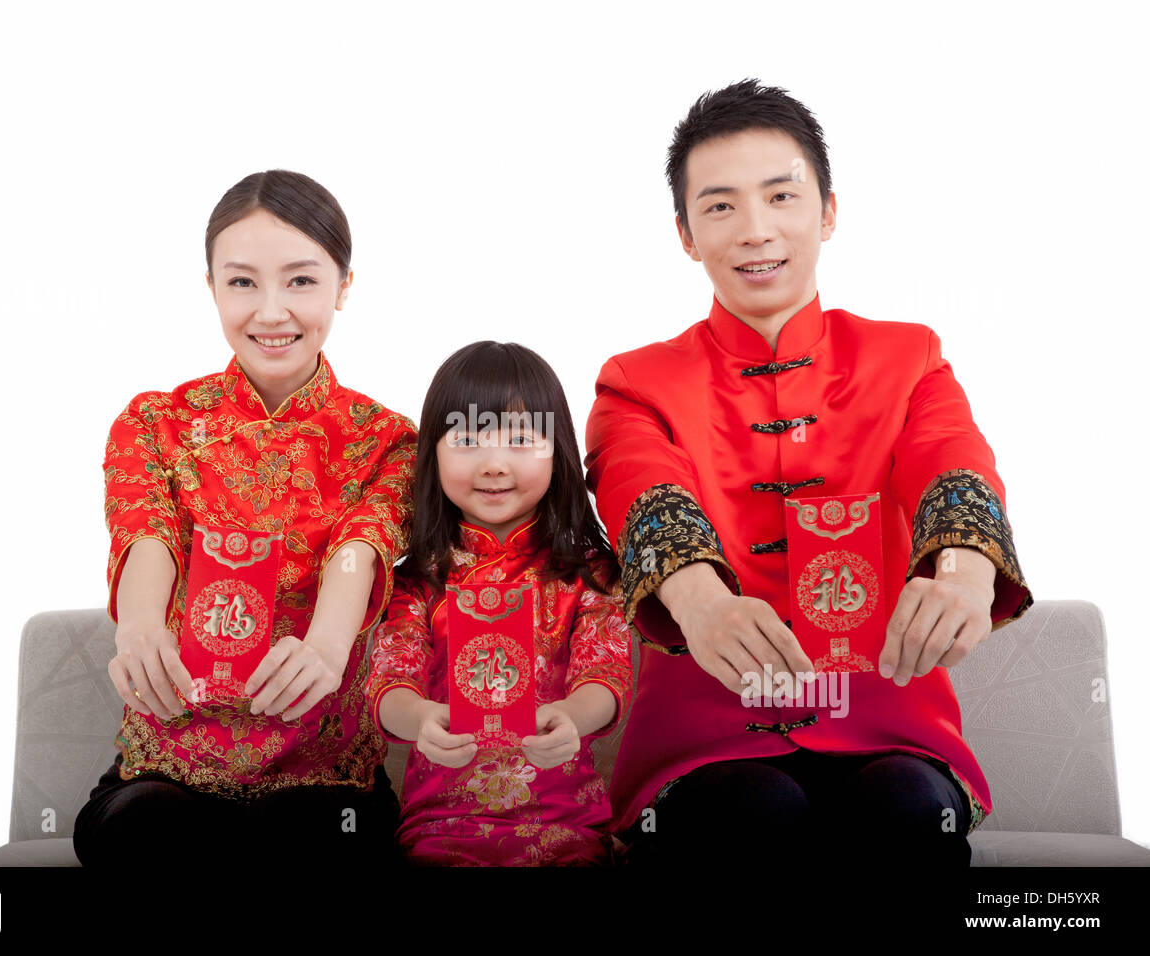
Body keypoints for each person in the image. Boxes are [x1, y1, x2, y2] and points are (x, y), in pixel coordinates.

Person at [583, 79, 1033, 867]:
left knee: (904, 811)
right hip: (706, 739)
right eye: (720, 206)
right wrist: (697, 597)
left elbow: (951, 457)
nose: (756, 231)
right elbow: (640, 490)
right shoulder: (635, 381)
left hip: (893, 725)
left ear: (827, 211)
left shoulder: (910, 356)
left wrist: (962, 571)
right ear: (686, 234)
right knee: (752, 815)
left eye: (781, 196)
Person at [73, 170, 417, 868]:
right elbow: (149, 538)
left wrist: (324, 646)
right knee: (148, 830)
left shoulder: (388, 440)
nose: (270, 312)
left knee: (308, 837)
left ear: (344, 286)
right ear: (210, 286)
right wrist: (139, 625)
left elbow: (361, 546)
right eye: (241, 283)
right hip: (166, 773)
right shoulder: (154, 422)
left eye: (300, 281)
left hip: (324, 776)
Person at [365, 341, 633, 865]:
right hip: (441, 825)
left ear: (557, 450)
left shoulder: (588, 575)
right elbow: (390, 679)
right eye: (466, 440)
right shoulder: (419, 580)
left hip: (565, 823)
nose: (493, 464)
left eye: (519, 440)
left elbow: (605, 671)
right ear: (431, 454)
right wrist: (421, 719)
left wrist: (571, 717)